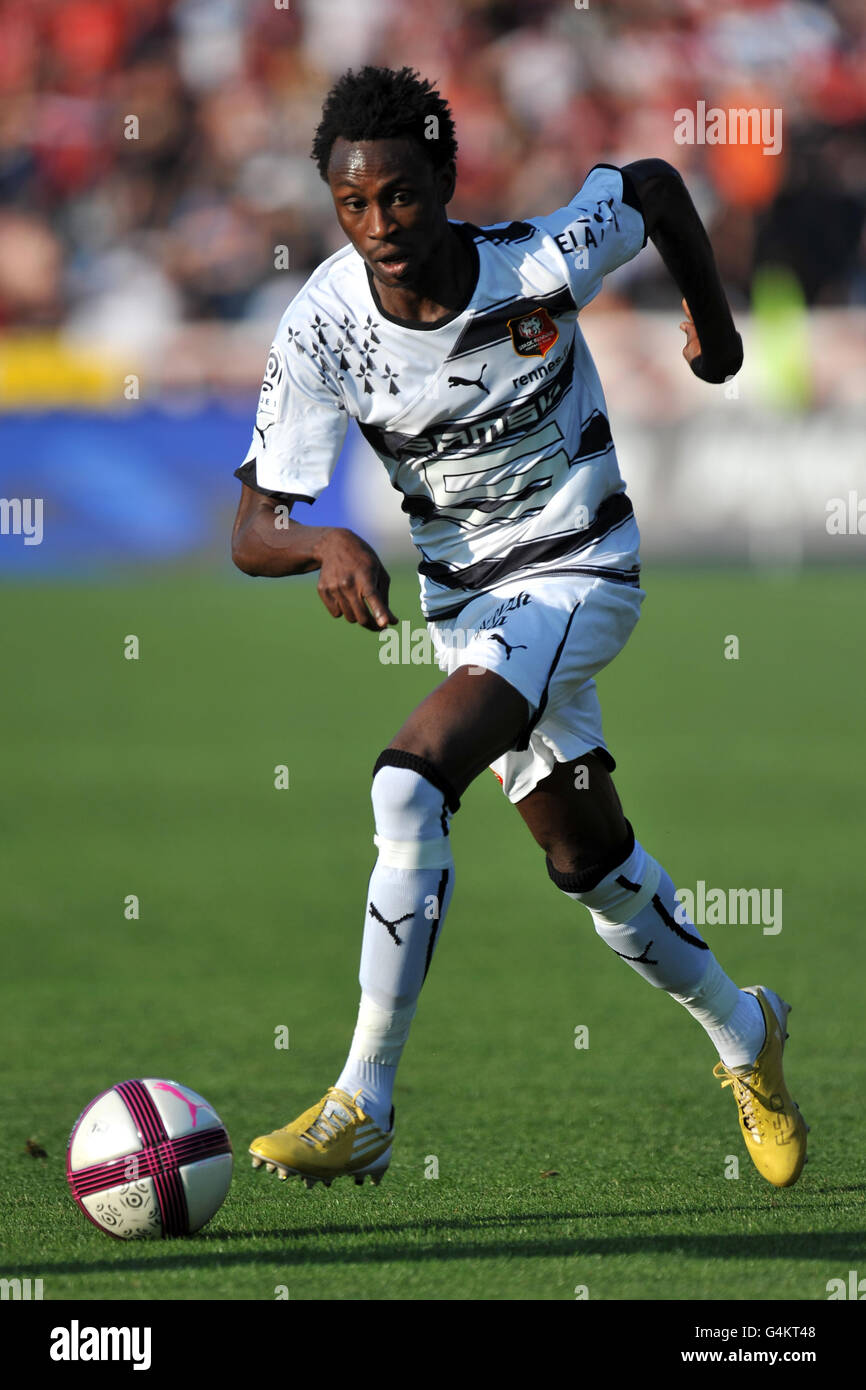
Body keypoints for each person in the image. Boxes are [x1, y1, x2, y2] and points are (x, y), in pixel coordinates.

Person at [231, 66, 807, 1192]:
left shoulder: (538, 263)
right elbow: (253, 525)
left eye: (398, 195)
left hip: (581, 571)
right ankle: (747, 1034)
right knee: (585, 859)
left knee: (407, 783)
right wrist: (323, 544)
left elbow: (650, 185)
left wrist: (715, 330)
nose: (378, 226)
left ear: (443, 179)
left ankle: (364, 1101)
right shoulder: (322, 328)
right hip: (469, 613)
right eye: (351, 205)